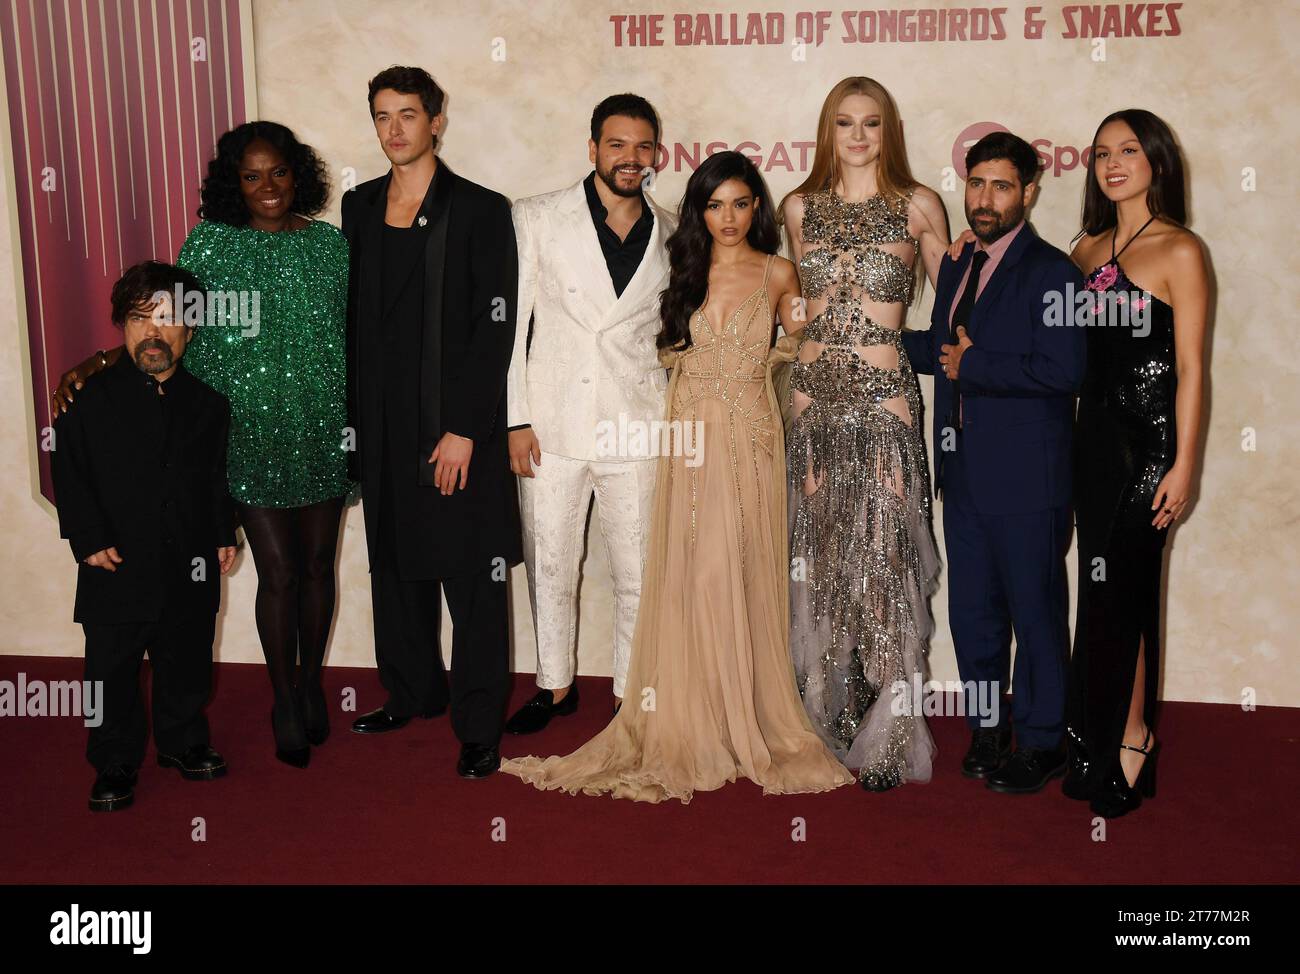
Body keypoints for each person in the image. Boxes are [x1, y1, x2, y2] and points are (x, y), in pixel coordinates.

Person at [500, 152, 855, 803]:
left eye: (741, 204)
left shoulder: (780, 272)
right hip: (687, 441)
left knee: (737, 571)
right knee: (692, 575)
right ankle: (689, 715)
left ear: (757, 208)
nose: (728, 217)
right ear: (699, 211)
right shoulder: (681, 268)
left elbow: (809, 349)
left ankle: (737, 715)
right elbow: (650, 349)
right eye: (715, 204)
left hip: (750, 439)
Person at [53, 122, 352, 770]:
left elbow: (356, 331)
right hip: (242, 432)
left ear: (297, 174)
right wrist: (102, 362)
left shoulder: (331, 246)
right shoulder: (211, 246)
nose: (266, 185)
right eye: (251, 175)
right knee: (277, 573)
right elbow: (164, 319)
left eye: (278, 172)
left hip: (321, 425)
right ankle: (282, 699)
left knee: (317, 567)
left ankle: (308, 687)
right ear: (232, 183)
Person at [342, 66, 520, 779]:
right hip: (379, 425)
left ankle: (479, 724)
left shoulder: (479, 209)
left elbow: (493, 328)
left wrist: (467, 427)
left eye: (408, 115)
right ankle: (410, 689)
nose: (394, 130)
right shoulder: (356, 207)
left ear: (438, 120)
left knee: (472, 578)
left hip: (451, 427)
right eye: (382, 116)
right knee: (393, 565)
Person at [902, 131, 1086, 794]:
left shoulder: (1054, 273)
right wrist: (874, 344)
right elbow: (942, 347)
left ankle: (1042, 741)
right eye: (976, 184)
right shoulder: (957, 263)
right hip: (965, 474)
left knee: (1035, 613)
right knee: (974, 615)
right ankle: (987, 727)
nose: (984, 199)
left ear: (1030, 193)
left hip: (1029, 480)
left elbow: (1066, 370)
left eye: (1001, 186)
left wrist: (974, 364)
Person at [780, 77, 950, 791]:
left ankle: (888, 732)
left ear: (889, 130)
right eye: (844, 123)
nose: (857, 136)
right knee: (819, 569)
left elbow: (961, 310)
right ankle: (826, 719)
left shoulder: (918, 206)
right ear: (827, 130)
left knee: (885, 569)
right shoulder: (797, 208)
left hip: (886, 412)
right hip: (811, 409)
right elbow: (789, 311)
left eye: (871, 123)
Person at [504, 94, 674, 733]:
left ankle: (631, 693)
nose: (630, 158)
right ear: (593, 148)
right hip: (551, 422)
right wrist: (515, 419)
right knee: (552, 561)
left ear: (656, 152)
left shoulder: (673, 226)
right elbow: (511, 327)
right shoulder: (538, 217)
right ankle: (554, 685)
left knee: (637, 568)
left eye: (642, 146)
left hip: (636, 422)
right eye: (617, 144)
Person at [51, 261, 237, 811]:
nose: (154, 332)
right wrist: (86, 537)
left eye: (169, 319)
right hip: (114, 562)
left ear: (191, 329)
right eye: (140, 319)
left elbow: (214, 478)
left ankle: (183, 742)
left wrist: (222, 531)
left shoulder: (209, 404)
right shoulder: (86, 400)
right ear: (121, 326)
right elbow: (71, 474)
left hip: (189, 561)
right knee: (110, 668)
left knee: (188, 659)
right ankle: (114, 758)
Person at [1063, 109, 1206, 818]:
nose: (1113, 163)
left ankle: (1133, 734)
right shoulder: (1084, 250)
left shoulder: (1181, 250)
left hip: (1150, 449)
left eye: (1128, 150)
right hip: (1093, 447)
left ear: (1155, 160)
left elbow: (1193, 366)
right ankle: (1096, 732)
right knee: (1100, 593)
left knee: (1128, 592)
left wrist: (1185, 464)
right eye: (1101, 153)